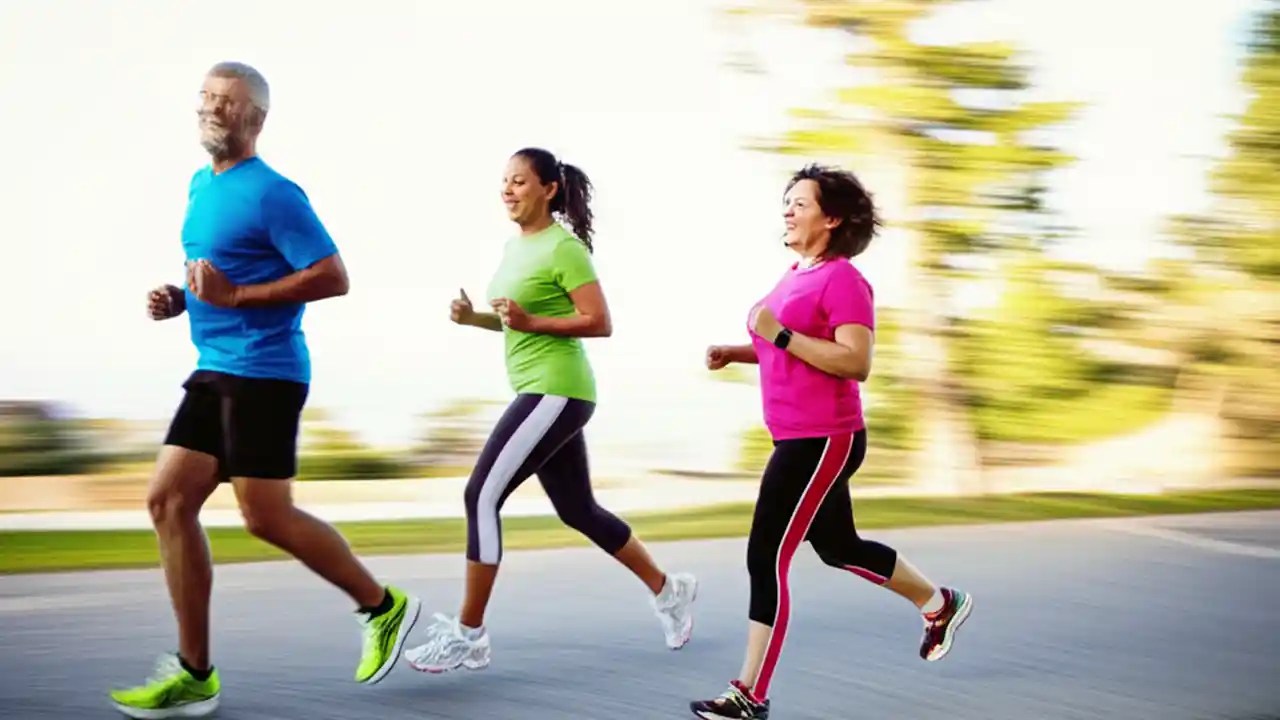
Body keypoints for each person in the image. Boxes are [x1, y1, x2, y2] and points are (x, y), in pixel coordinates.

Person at [108, 62, 421, 719]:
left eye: (230, 102)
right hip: (215, 364)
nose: (214, 108)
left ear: (255, 119)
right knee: (167, 501)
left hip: (266, 371)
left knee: (266, 517)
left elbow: (332, 276)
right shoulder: (201, 184)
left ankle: (383, 607)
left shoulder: (275, 193)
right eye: (208, 97)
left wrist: (238, 296)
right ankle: (195, 673)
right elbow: (219, 273)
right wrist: (180, 300)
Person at [689, 164, 973, 719]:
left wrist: (779, 335)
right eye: (787, 201)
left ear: (832, 218)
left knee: (765, 556)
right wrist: (740, 349)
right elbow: (788, 345)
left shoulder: (842, 279)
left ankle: (749, 694)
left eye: (800, 202)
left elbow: (854, 360)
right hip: (796, 435)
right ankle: (939, 603)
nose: (787, 210)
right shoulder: (795, 273)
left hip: (821, 438)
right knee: (838, 546)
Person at [402, 147, 697, 673]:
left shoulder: (566, 248)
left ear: (549, 189)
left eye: (519, 181)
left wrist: (532, 323)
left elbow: (599, 321)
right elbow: (517, 318)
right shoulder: (515, 247)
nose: (509, 190)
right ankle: (668, 590)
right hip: (545, 390)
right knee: (577, 510)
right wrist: (475, 319)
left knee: (481, 494)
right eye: (504, 183)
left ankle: (469, 632)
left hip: (555, 389)